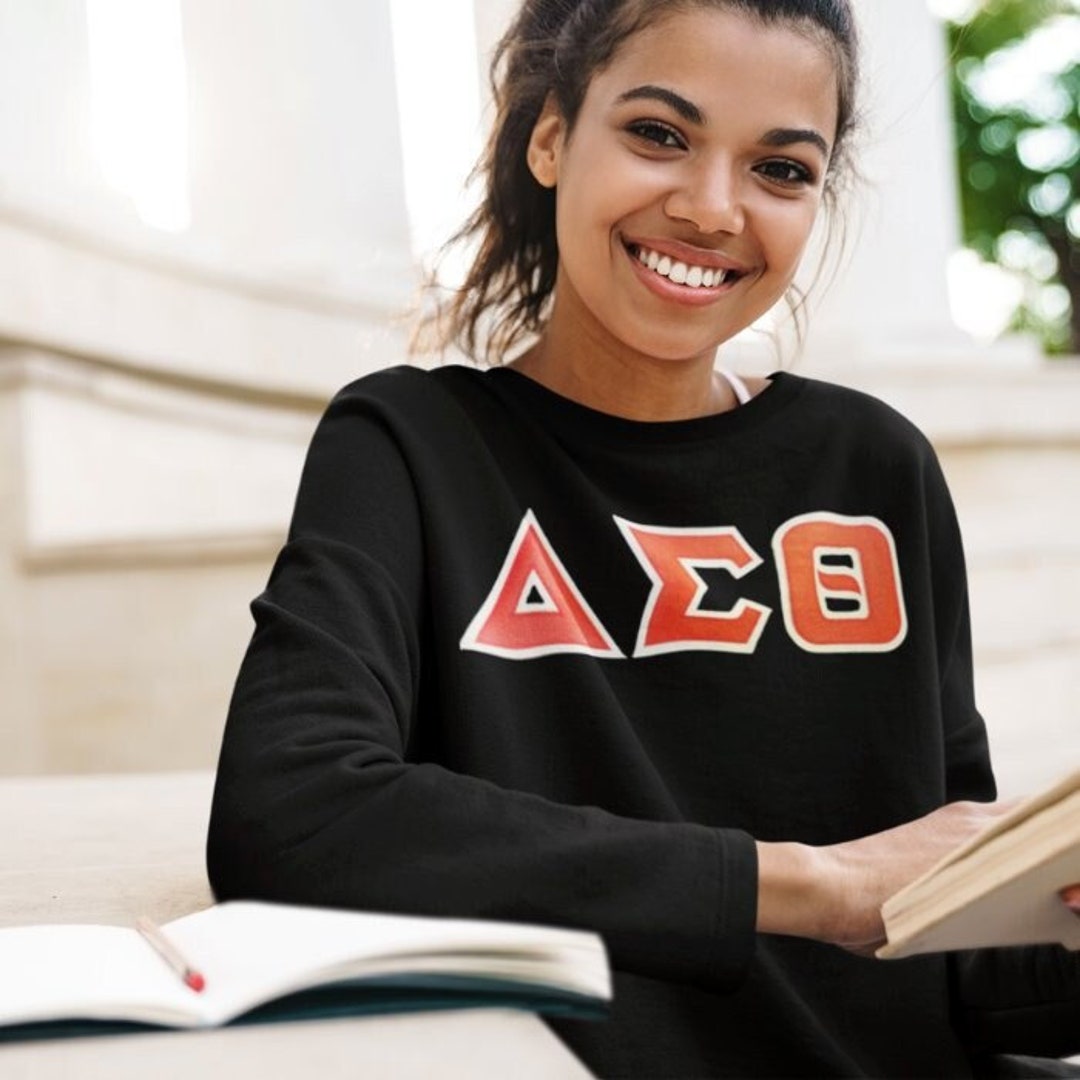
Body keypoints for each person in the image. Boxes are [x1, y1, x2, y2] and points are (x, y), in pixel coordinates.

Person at [206, 1, 1080, 1075]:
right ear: (550, 137)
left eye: (781, 169)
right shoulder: (413, 448)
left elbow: (950, 945)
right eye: (659, 135)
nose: (714, 209)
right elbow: (292, 812)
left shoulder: (876, 467)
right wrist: (812, 885)